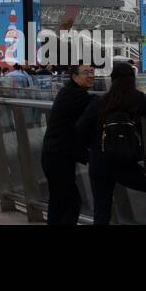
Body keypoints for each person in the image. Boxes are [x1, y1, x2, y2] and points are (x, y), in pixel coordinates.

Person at [76, 61, 146, 225]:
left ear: (112, 80)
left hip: (98, 162)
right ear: (133, 79)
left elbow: (80, 129)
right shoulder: (137, 98)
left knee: (101, 211)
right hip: (123, 164)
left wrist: (95, 148)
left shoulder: (100, 101)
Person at [41, 63, 95, 224]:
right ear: (74, 77)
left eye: (92, 72)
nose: (91, 75)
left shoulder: (71, 92)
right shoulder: (75, 95)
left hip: (54, 154)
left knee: (58, 201)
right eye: (86, 72)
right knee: (72, 201)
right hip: (59, 156)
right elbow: (97, 104)